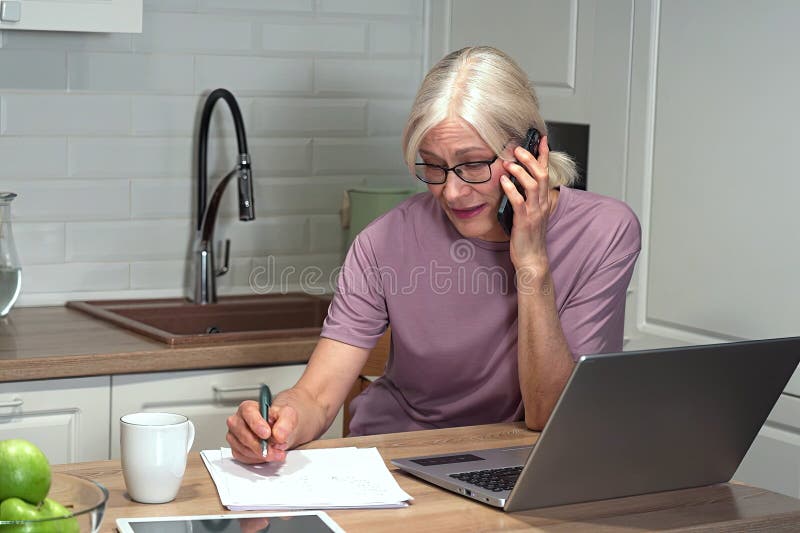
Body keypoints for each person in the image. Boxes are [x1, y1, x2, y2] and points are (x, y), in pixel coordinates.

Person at [227, 46, 641, 463]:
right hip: (396, 463)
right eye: (433, 166)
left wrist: (532, 261)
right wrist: (281, 422)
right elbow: (316, 394)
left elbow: (552, 417)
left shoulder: (604, 232)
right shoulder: (382, 242)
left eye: (473, 164)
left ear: (532, 153)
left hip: (522, 466)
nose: (452, 192)